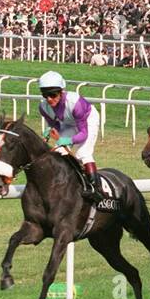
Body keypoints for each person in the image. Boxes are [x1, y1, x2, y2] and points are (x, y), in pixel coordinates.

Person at [37, 70, 103, 201]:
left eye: (53, 94)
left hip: (88, 120)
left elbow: (83, 134)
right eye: (45, 95)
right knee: (59, 151)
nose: (49, 99)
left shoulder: (76, 103)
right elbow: (55, 124)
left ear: (61, 92)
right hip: (69, 122)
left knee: (83, 153)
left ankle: (96, 189)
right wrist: (49, 130)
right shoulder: (44, 107)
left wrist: (67, 140)